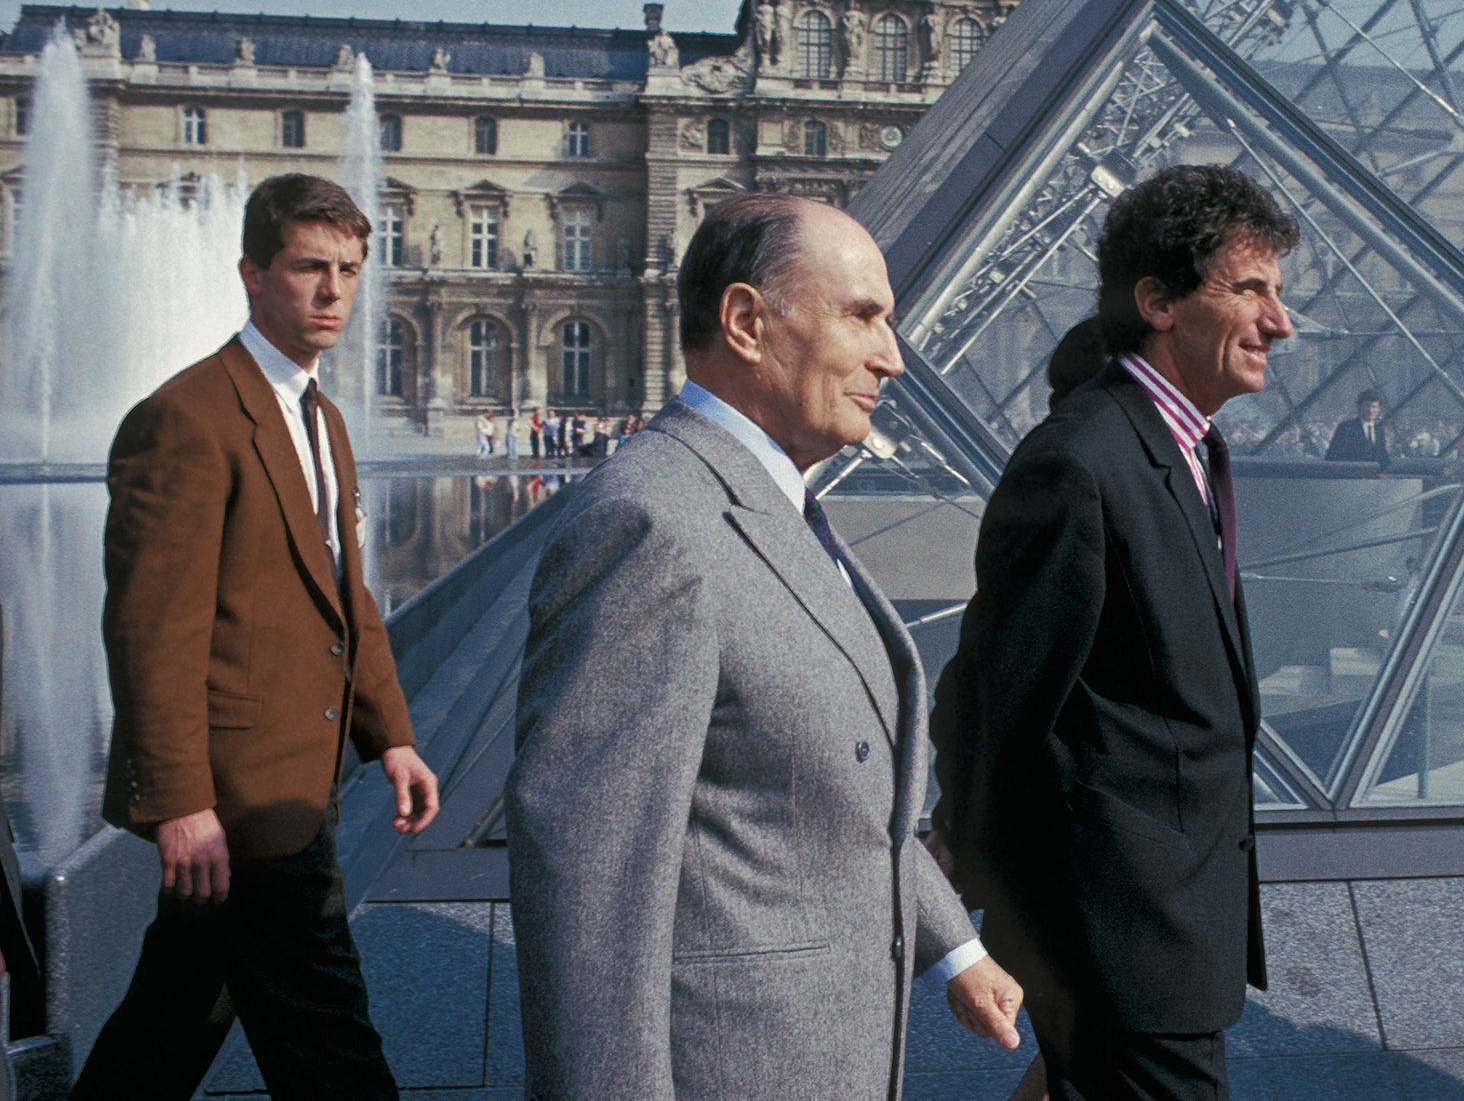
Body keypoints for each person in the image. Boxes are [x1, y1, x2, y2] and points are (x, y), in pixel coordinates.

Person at [507, 192, 1022, 1100]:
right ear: (747, 321)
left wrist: (956, 948)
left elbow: (836, 798)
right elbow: (592, 889)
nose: (892, 357)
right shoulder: (651, 521)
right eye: (862, 316)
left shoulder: (769, 500)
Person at [72, 173, 439, 1101]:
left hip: (296, 771)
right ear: (252, 274)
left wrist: (388, 735)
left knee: (173, 1015)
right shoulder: (186, 419)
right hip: (244, 799)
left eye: (350, 270)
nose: (334, 293)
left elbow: (345, 598)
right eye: (309, 267)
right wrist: (181, 802)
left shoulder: (322, 417)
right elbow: (151, 633)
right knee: (333, 1044)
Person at [932, 164, 1295, 1100]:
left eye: (1277, 293)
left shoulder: (1188, 447)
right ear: (1157, 302)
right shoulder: (1080, 461)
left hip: (1163, 925)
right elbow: (998, 690)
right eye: (1250, 289)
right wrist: (963, 892)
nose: (1278, 323)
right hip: (1117, 938)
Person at [1324, 387, 1392, 466]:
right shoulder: (1346, 428)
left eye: (1374, 407)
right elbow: (1333, 457)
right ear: (1359, 406)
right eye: (1367, 406)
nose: (1370, 410)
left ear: (1379, 409)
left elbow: (1383, 458)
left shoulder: (1379, 431)